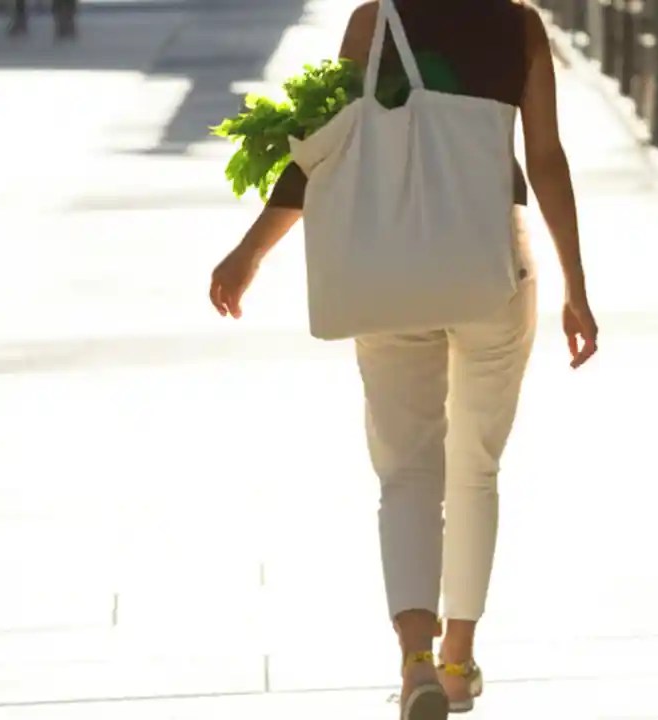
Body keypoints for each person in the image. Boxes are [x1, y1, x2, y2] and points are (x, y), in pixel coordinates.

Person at [208, 0, 596, 716]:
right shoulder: (519, 27)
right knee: (475, 469)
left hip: (389, 272)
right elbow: (545, 158)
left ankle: (414, 660)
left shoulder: (374, 21)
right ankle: (458, 658)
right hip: (491, 267)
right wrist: (576, 285)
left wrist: (250, 251)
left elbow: (322, 148)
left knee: (407, 472)